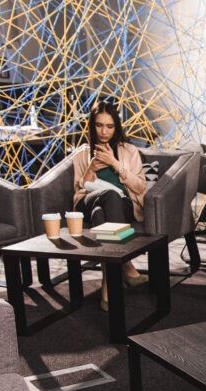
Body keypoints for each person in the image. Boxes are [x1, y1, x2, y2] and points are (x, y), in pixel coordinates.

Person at [73, 100, 149, 311]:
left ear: (116, 127)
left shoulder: (129, 151)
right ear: (92, 125)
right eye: (99, 125)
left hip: (122, 203)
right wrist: (91, 166)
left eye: (109, 126)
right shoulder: (81, 154)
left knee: (101, 213)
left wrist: (116, 165)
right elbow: (79, 189)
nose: (104, 131)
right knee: (105, 197)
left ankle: (108, 281)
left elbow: (140, 186)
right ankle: (125, 266)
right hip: (88, 201)